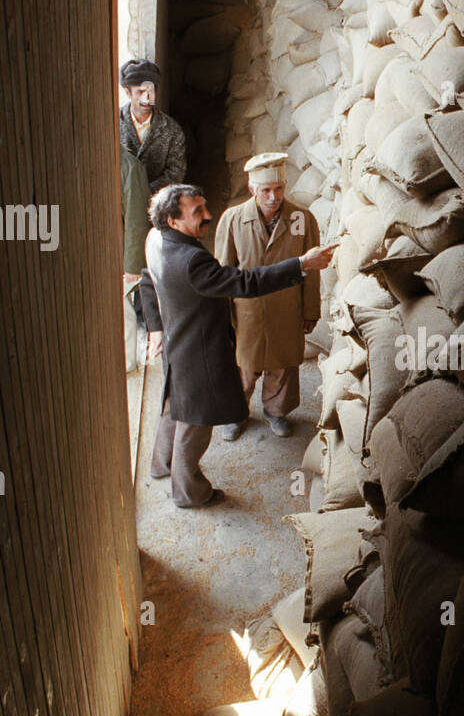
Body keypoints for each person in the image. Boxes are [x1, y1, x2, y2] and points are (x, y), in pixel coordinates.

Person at [139, 183, 336, 509]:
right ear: (173, 220)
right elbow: (246, 283)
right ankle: (190, 493)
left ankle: (161, 465)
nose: (208, 215)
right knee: (195, 424)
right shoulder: (192, 260)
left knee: (173, 405)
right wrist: (300, 264)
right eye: (197, 212)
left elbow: (148, 279)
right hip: (197, 348)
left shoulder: (156, 239)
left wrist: (156, 329)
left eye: (204, 206)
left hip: (177, 340)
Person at [213, 152, 321, 440]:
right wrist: (223, 317)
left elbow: (311, 269)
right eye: (265, 190)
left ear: (285, 185)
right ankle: (235, 413)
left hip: (287, 307)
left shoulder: (302, 218)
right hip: (247, 310)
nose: (273, 197)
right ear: (252, 190)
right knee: (244, 366)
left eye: (279, 188)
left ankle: (276, 411)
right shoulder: (233, 220)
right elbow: (223, 272)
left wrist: (311, 310)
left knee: (282, 364)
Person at [119, 59, 187, 194]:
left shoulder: (172, 130)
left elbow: (176, 172)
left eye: (151, 91)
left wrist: (145, 192)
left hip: (155, 204)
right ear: (128, 93)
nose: (147, 98)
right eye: (140, 92)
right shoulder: (113, 124)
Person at [121, 144, 150, 327]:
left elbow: (136, 219)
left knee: (123, 316)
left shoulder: (129, 165)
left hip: (118, 254)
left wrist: (132, 265)